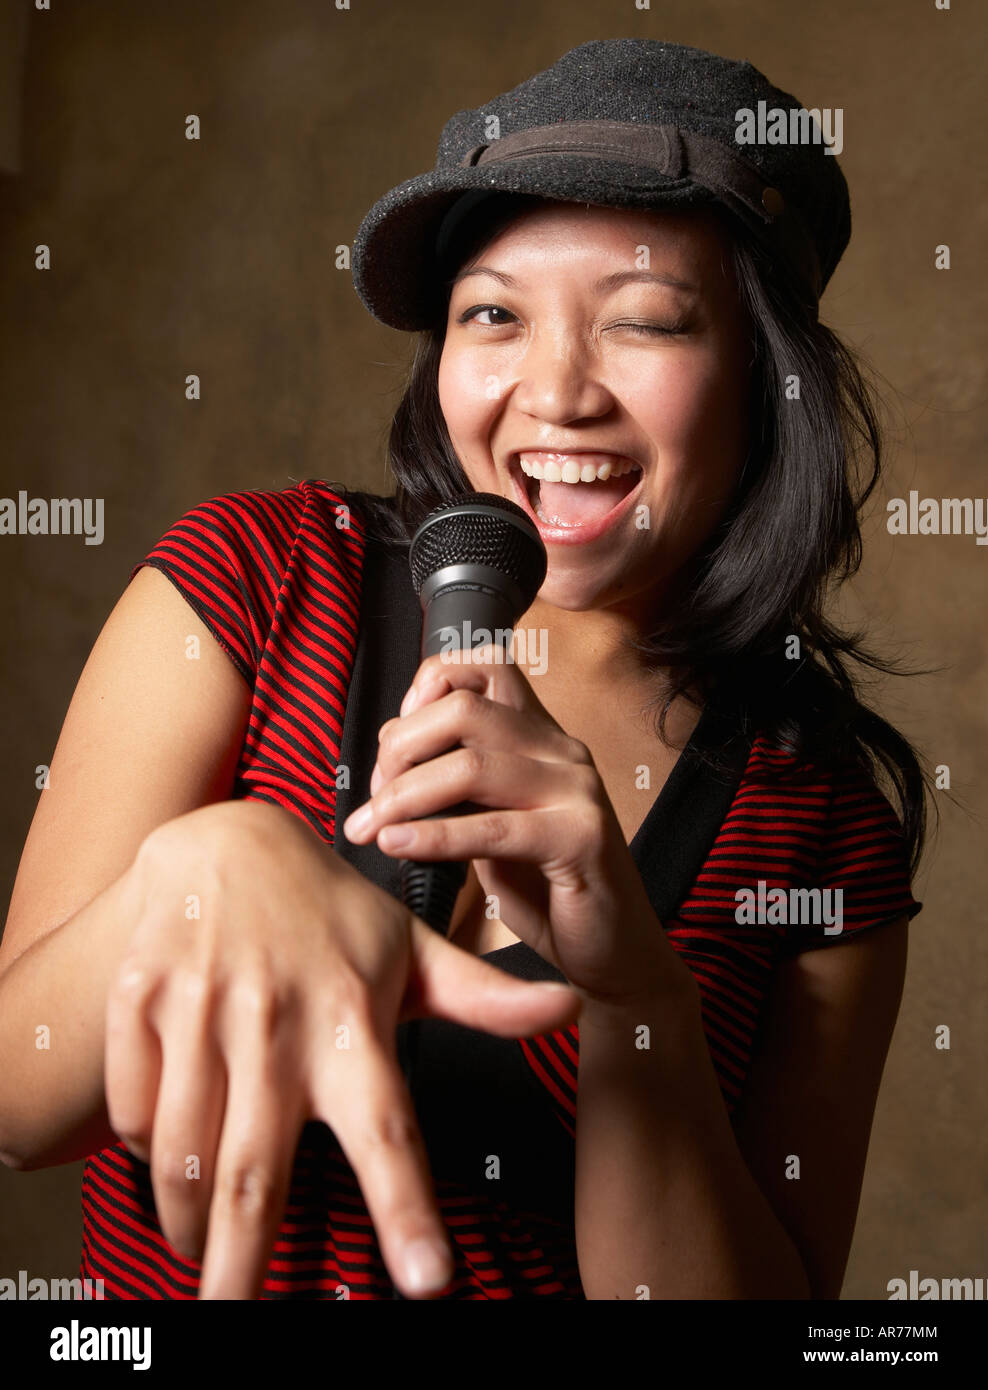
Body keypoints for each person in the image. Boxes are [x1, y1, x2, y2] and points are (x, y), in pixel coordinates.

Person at [0, 38, 930, 1301]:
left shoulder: (818, 828)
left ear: (769, 383)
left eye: (647, 319)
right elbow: (17, 1105)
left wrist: (631, 992)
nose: (554, 393)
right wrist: (204, 871)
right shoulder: (254, 581)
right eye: (493, 313)